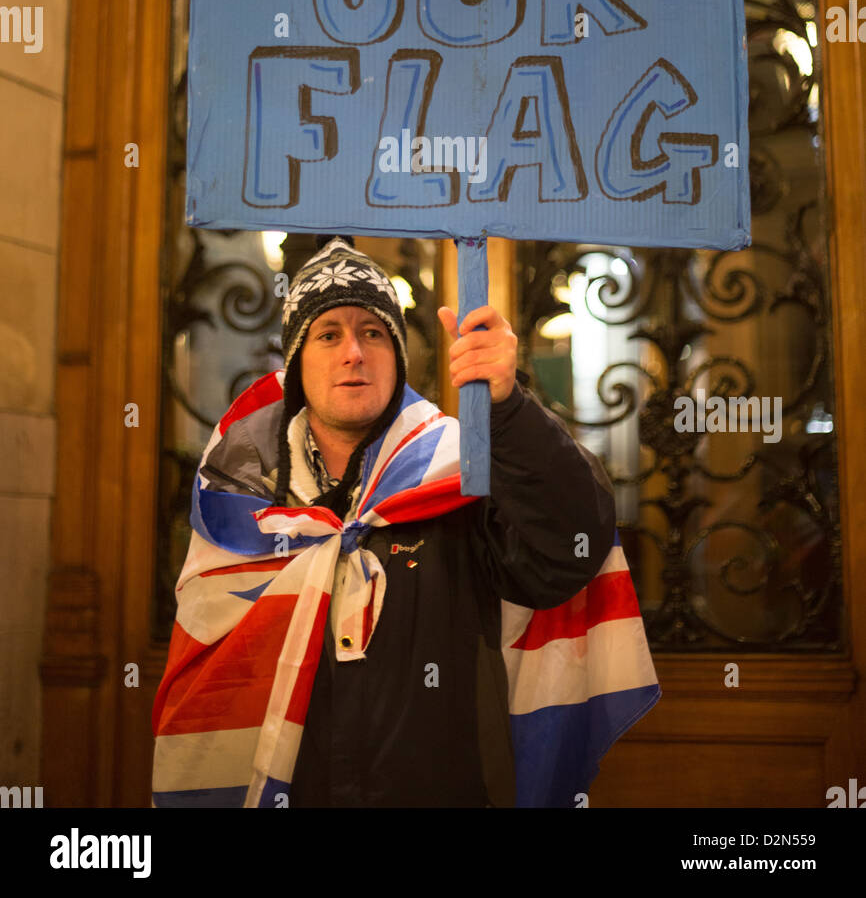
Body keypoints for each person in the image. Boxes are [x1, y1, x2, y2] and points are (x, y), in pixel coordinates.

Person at [152, 236, 659, 808]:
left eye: (373, 332)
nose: (354, 352)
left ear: (398, 356)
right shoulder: (239, 498)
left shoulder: (457, 474)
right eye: (328, 334)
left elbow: (566, 554)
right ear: (296, 364)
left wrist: (509, 408)